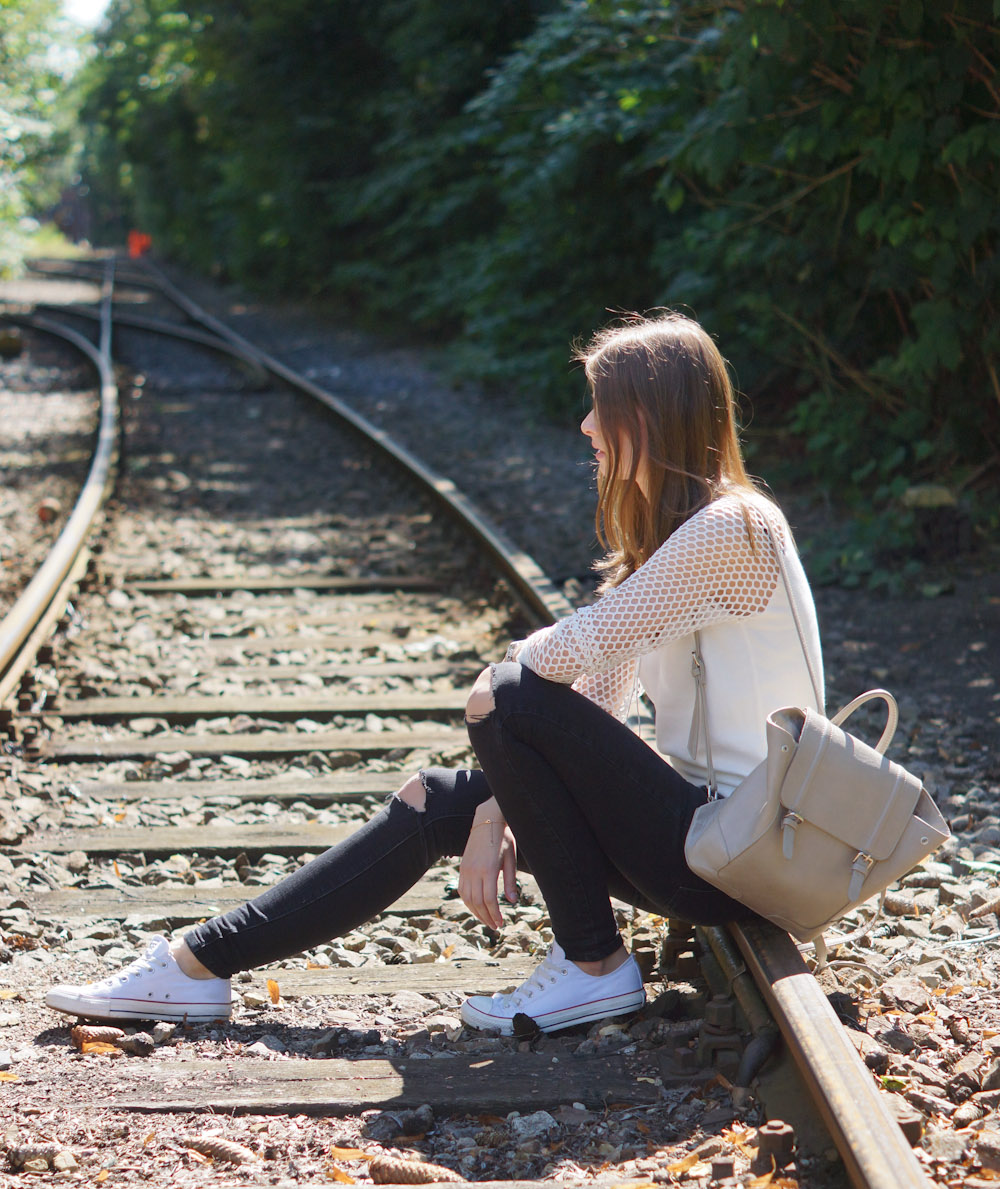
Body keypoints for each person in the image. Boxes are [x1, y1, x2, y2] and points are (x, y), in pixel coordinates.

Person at [45, 312, 823, 1037]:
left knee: (508, 692)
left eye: (603, 409)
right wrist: (495, 805)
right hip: (699, 841)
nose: (586, 426)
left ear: (655, 417)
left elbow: (550, 668)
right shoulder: (674, 539)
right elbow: (598, 704)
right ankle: (197, 964)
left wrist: (501, 723)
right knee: (434, 800)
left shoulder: (735, 527)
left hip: (743, 849)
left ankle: (592, 964)